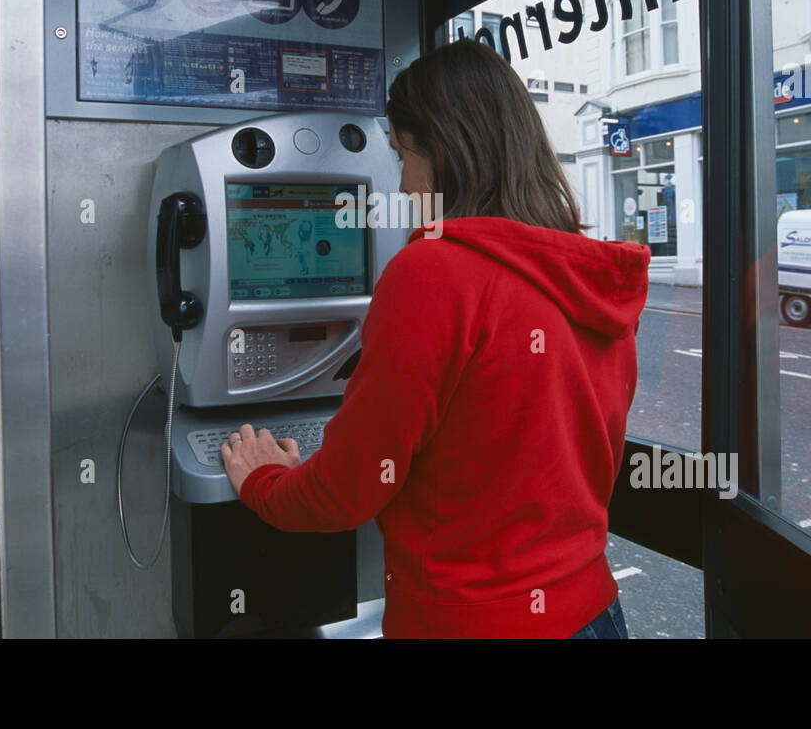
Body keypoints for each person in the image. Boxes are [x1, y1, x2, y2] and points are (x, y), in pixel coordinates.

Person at [219, 39, 650, 638]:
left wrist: (264, 482)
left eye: (401, 156)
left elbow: (349, 490)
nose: (400, 190)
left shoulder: (435, 271)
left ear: (444, 150)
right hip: (594, 612)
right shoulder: (593, 273)